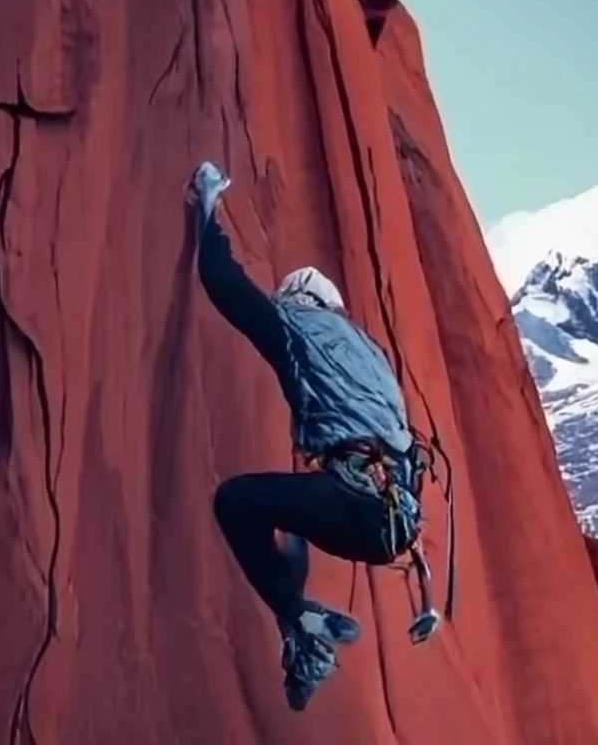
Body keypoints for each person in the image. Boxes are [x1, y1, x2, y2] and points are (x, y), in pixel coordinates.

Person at [186, 161, 445, 711]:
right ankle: (303, 644)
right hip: (394, 524)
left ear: (297, 301)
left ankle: (299, 619)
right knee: (292, 537)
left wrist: (206, 208)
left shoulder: (297, 328)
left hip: (354, 505)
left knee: (236, 502)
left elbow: (223, 284)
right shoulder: (371, 354)